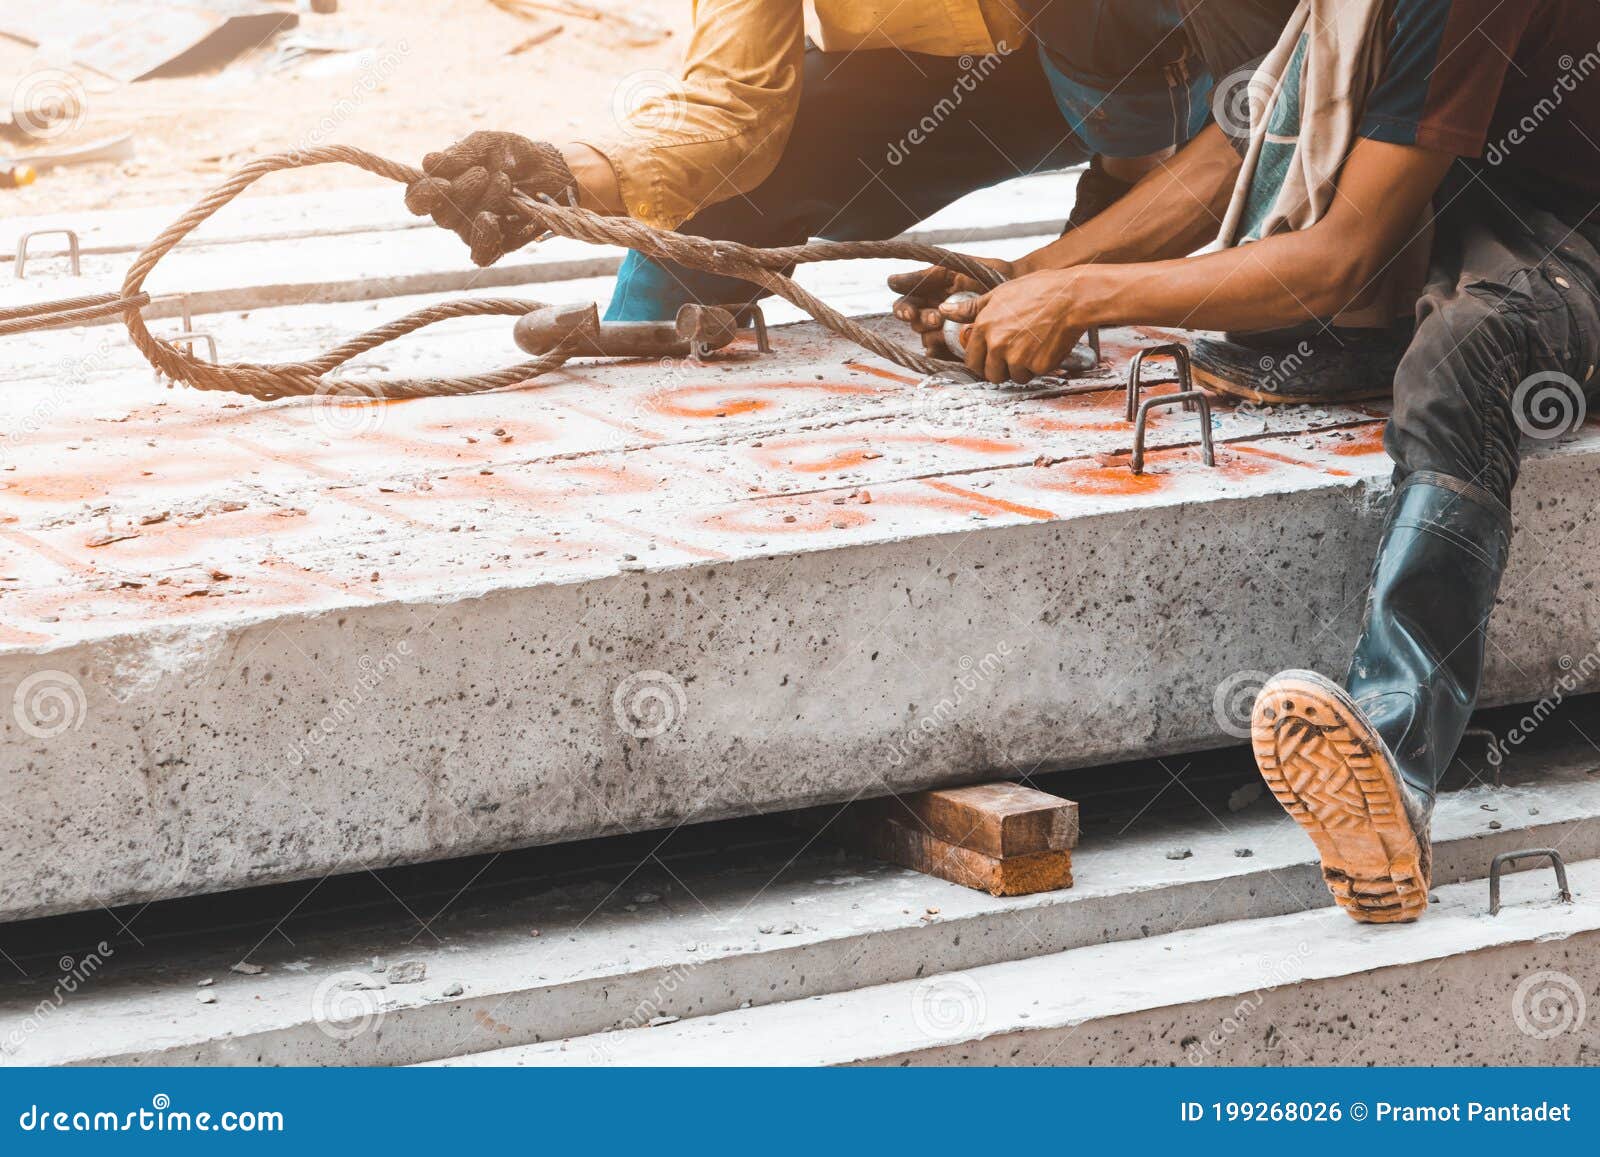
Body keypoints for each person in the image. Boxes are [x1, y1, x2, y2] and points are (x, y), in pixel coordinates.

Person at [906, 0, 1600, 922]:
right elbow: (1243, 143)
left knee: (1466, 351)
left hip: (1570, 237)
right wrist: (1029, 277)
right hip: (1477, 205)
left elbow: (1338, 257)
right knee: (1311, 299)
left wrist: (1080, 296)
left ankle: (1390, 765)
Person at [403, 0, 1291, 324]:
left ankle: (1126, 189)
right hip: (1003, 80)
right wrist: (561, 172)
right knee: (732, 202)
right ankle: (640, 334)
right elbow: (731, 110)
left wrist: (1046, 274)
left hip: (1214, 72)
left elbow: (1272, 112)